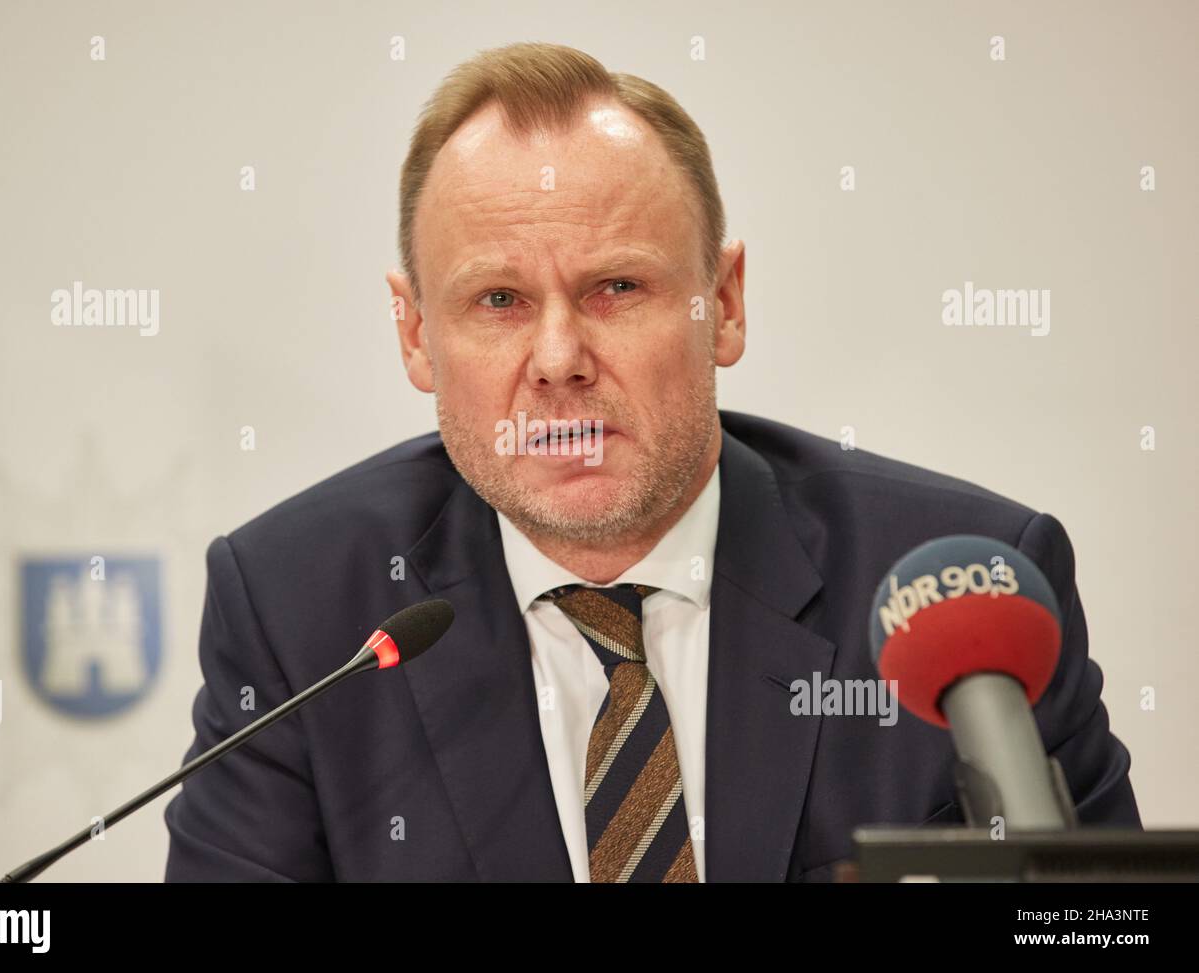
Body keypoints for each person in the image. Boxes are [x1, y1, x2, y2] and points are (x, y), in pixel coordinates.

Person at [164, 41, 1139, 883]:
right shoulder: (301, 611)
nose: (556, 362)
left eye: (615, 286)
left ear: (724, 301)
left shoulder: (959, 589)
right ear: (415, 334)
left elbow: (1098, 934)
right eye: (497, 301)